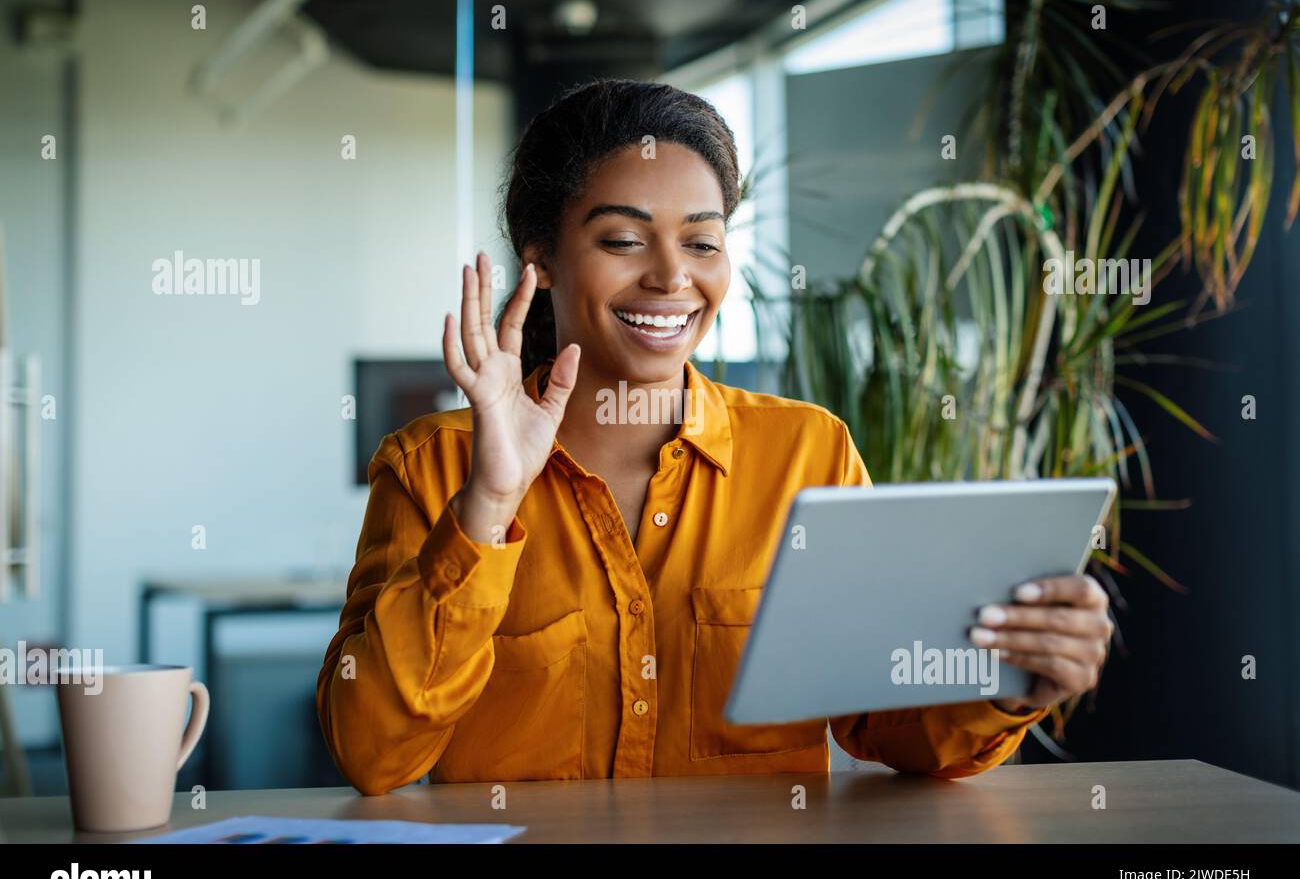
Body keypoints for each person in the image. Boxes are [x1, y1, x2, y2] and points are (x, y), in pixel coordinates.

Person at [316, 79, 1113, 795]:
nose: (671, 277)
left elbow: (886, 722)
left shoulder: (807, 453)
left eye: (702, 241)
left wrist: (1009, 681)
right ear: (543, 259)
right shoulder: (429, 467)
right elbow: (372, 755)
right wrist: (489, 504)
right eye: (623, 240)